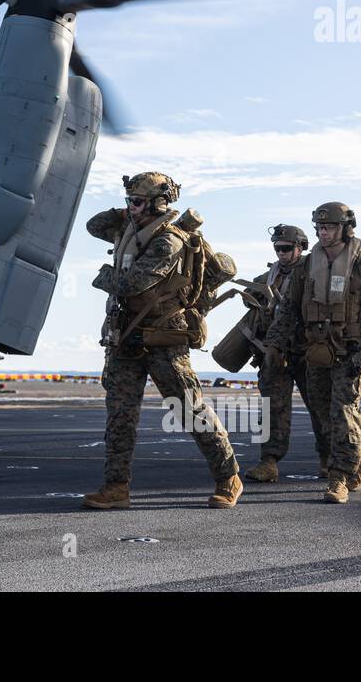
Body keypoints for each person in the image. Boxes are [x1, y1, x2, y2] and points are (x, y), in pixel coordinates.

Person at [80, 172, 242, 511]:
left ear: (158, 203)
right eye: (129, 201)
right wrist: (126, 211)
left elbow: (133, 284)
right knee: (120, 416)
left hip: (164, 337)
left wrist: (103, 276)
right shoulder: (131, 228)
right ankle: (116, 488)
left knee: (190, 409)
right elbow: (93, 226)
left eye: (138, 201)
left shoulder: (169, 240)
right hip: (125, 336)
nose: (131, 207)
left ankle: (228, 477)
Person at [264, 202, 361, 504]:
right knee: (322, 412)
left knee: (343, 412)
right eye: (320, 228)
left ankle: (339, 476)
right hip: (315, 351)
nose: (323, 233)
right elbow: (288, 309)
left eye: (329, 227)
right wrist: (275, 344)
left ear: (345, 228)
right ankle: (358, 460)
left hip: (350, 352)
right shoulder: (305, 267)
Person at [243, 225, 325, 482]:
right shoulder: (268, 276)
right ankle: (268, 461)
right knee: (271, 408)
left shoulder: (314, 274)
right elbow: (248, 298)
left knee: (320, 407)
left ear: (300, 247)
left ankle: (330, 459)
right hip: (274, 352)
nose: (281, 253)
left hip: (306, 351)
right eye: (278, 248)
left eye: (286, 248)